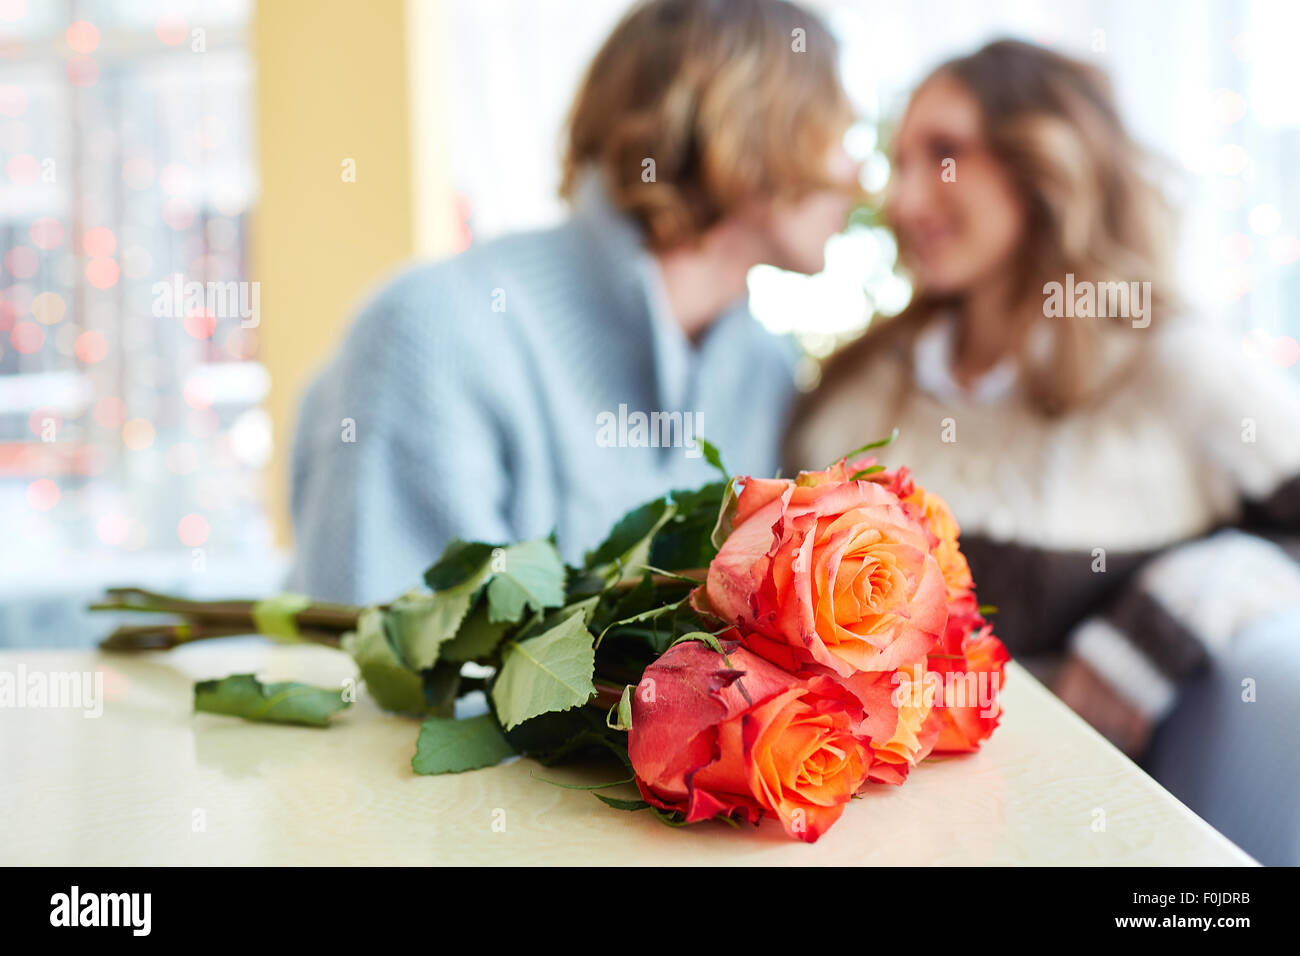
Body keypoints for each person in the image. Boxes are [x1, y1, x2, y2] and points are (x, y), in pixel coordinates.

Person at [787, 40, 1300, 774]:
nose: (902, 202)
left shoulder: (1177, 367)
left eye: (944, 154)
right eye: (899, 164)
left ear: (1046, 163)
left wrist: (1161, 625)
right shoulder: (858, 382)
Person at [287, 0, 860, 605]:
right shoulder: (435, 330)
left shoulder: (767, 369)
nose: (856, 174)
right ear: (746, 131)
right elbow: (382, 674)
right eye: (839, 133)